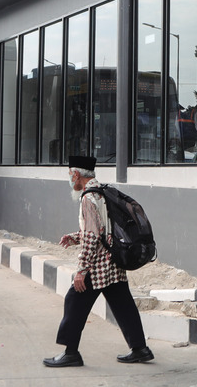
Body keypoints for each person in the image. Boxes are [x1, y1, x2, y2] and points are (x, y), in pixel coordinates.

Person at [43, 155, 154, 368]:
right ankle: (140, 348)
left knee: (74, 301)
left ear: (76, 174)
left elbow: (93, 236)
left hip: (98, 265)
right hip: (114, 261)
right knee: (123, 305)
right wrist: (75, 237)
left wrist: (82, 270)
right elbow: (102, 230)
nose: (70, 179)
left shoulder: (88, 198)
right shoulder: (102, 192)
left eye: (70, 175)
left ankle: (71, 353)